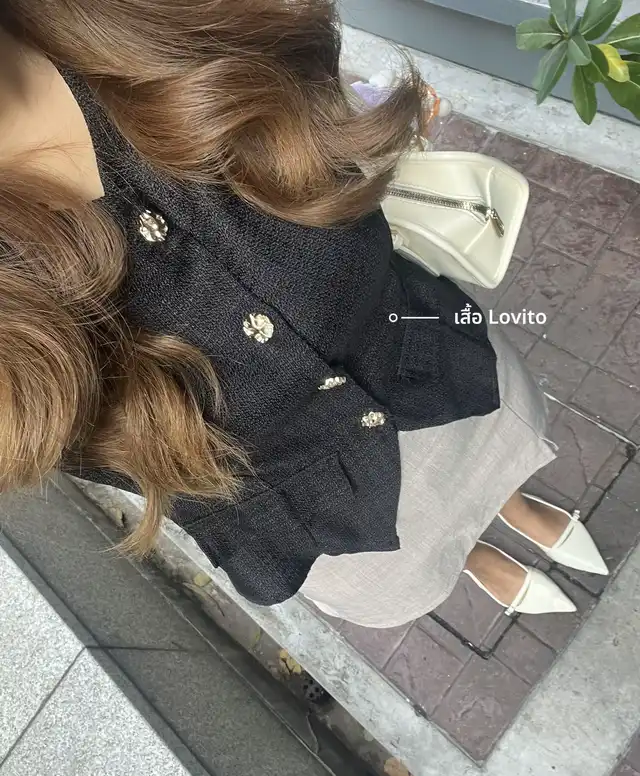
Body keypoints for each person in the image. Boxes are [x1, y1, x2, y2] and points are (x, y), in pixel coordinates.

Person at [0, 0, 607, 630]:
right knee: (422, 560)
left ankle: (516, 505)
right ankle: (476, 560)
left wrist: (348, 140)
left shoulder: (156, 20)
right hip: (308, 522)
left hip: (433, 370)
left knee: (503, 458)